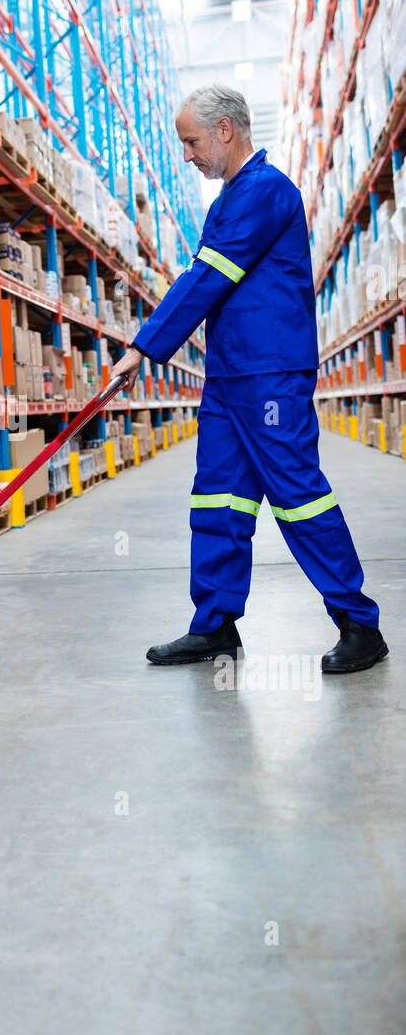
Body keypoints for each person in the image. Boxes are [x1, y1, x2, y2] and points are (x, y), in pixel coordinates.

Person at [112, 85, 386, 675]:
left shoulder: (265, 191)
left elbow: (209, 276)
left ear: (226, 130)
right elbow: (206, 280)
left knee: (298, 497)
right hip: (229, 375)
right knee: (218, 499)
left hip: (270, 376)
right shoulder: (230, 198)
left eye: (191, 141)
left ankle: (359, 623)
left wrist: (144, 346)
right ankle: (214, 625)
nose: (187, 155)